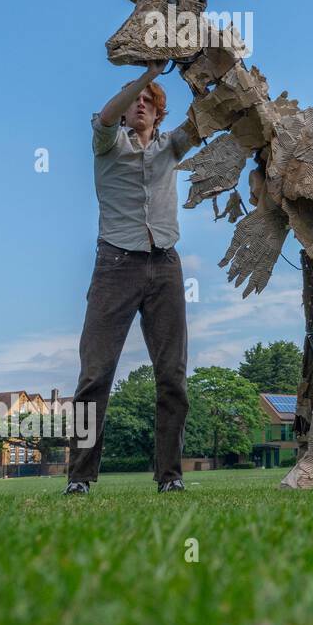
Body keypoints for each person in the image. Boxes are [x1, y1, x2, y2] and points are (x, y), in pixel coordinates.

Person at [65, 65, 196, 494]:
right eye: (133, 99)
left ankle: (170, 477)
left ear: (159, 114)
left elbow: (203, 122)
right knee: (95, 374)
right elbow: (104, 117)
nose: (140, 103)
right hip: (114, 266)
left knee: (173, 377)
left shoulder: (170, 147)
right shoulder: (106, 143)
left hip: (165, 266)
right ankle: (80, 478)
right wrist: (147, 76)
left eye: (149, 100)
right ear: (124, 111)